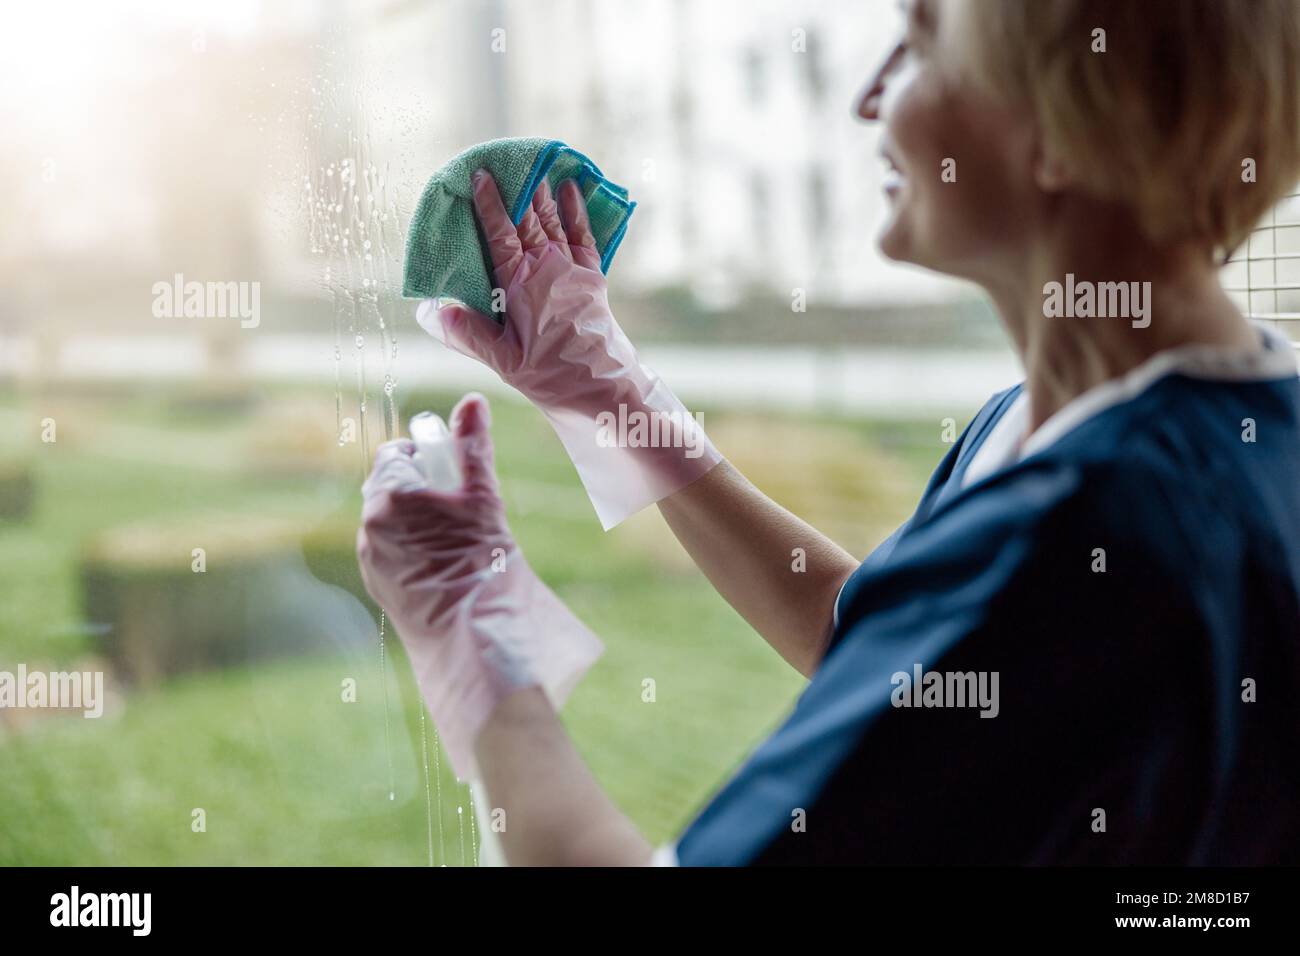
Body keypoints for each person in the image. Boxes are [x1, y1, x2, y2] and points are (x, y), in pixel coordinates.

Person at [357, 0, 1300, 865]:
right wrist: (614, 398)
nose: (865, 100)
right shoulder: (1101, 424)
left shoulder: (1090, 527)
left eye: (922, 45)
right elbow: (886, 650)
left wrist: (473, 639)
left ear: (1064, 129)